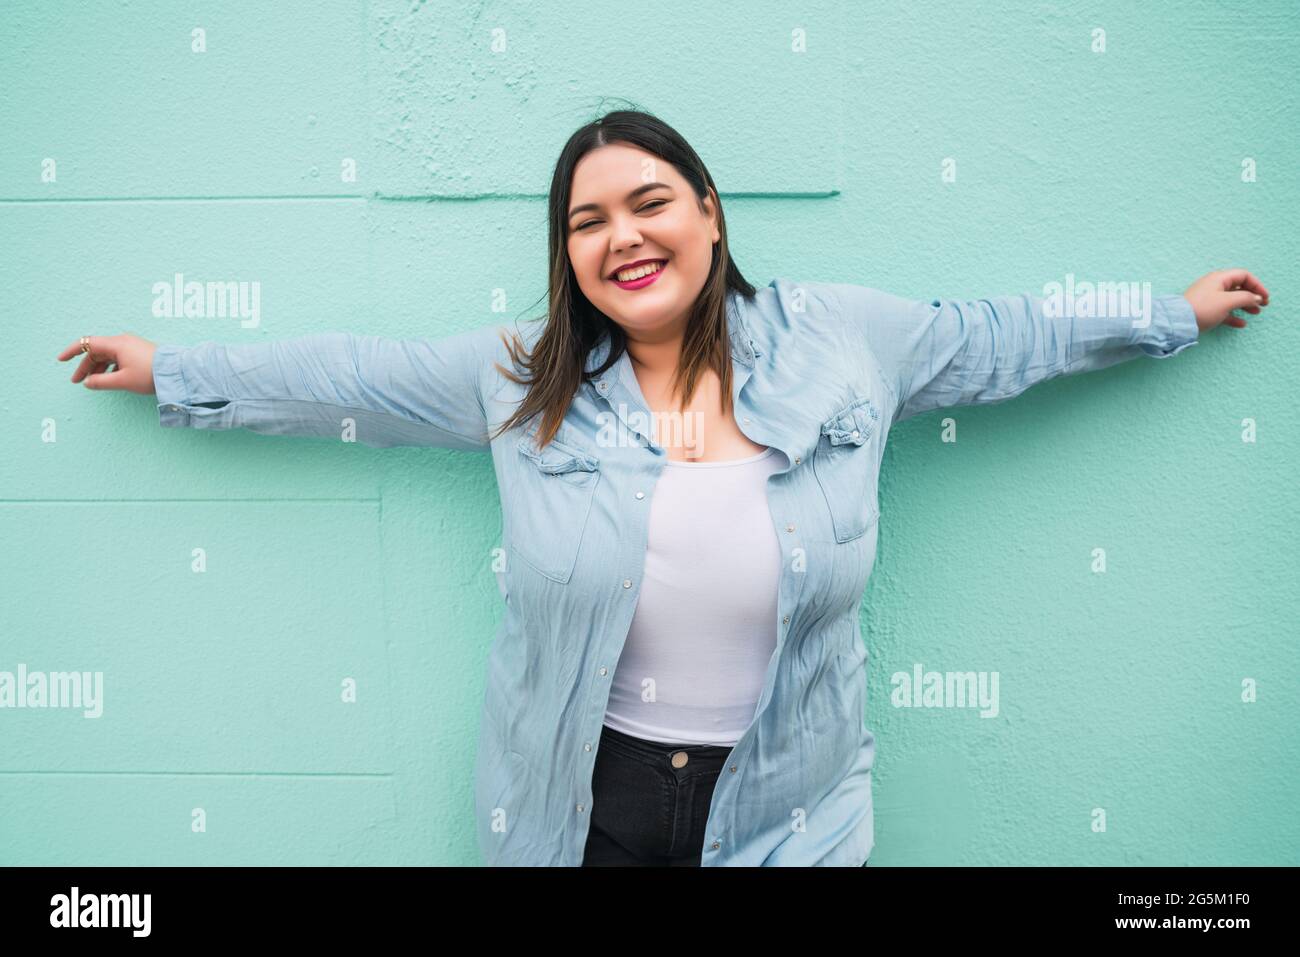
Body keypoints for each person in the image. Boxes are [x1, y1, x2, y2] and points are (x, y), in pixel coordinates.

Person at [58, 109, 1270, 867]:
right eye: (588, 223)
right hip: (590, 799)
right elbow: (350, 378)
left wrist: (1172, 313)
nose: (622, 237)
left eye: (649, 203)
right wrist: (173, 367)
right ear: (569, 257)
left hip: (792, 796)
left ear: (708, 214)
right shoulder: (516, 380)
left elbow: (1004, 337)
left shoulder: (845, 338)